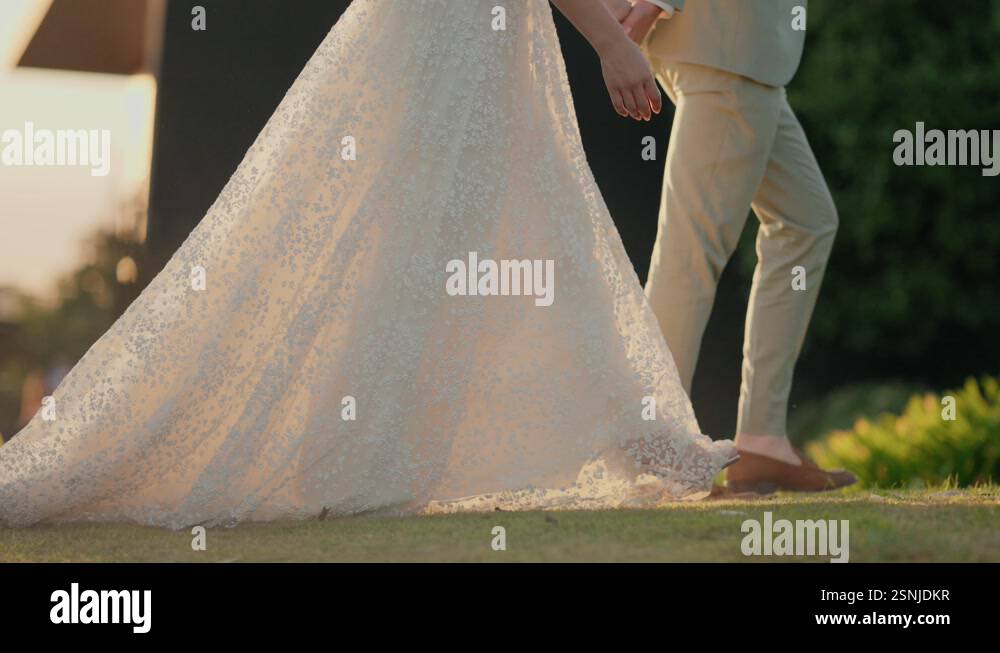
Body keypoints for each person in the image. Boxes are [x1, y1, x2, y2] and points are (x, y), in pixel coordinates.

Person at [0, 1, 735, 529]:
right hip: (463, 36)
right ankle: (357, 453)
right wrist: (610, 41)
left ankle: (639, 430)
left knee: (512, 228)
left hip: (472, 33)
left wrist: (616, 19)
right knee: (445, 240)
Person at [614, 0, 855, 492]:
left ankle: (762, 440)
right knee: (690, 251)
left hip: (743, 52)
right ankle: (653, 439)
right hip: (728, 48)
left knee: (806, 220)